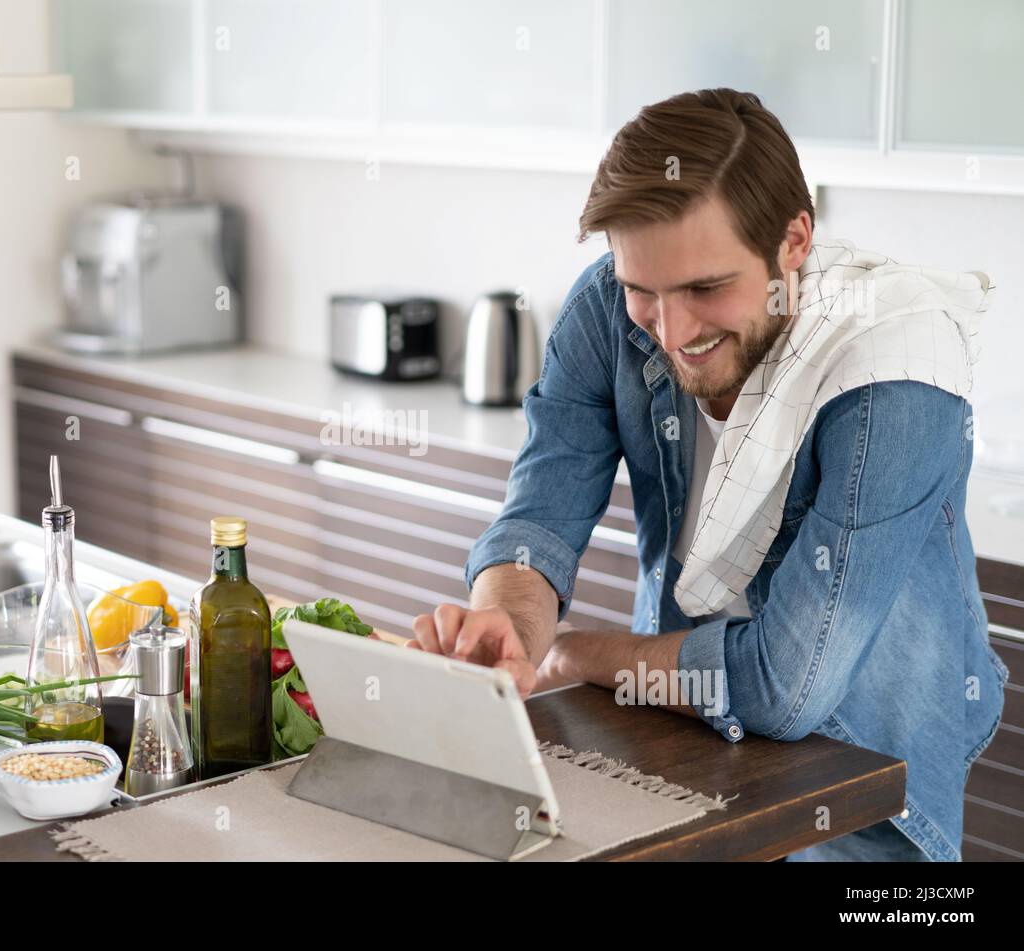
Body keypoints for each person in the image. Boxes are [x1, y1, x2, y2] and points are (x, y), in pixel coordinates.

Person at [410, 88, 1008, 862]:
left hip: (863, 784)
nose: (673, 330)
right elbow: (538, 521)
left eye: (704, 288)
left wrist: (579, 652)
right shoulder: (605, 313)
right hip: (681, 739)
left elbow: (784, 687)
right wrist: (511, 623)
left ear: (794, 242)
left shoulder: (898, 371)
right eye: (643, 290)